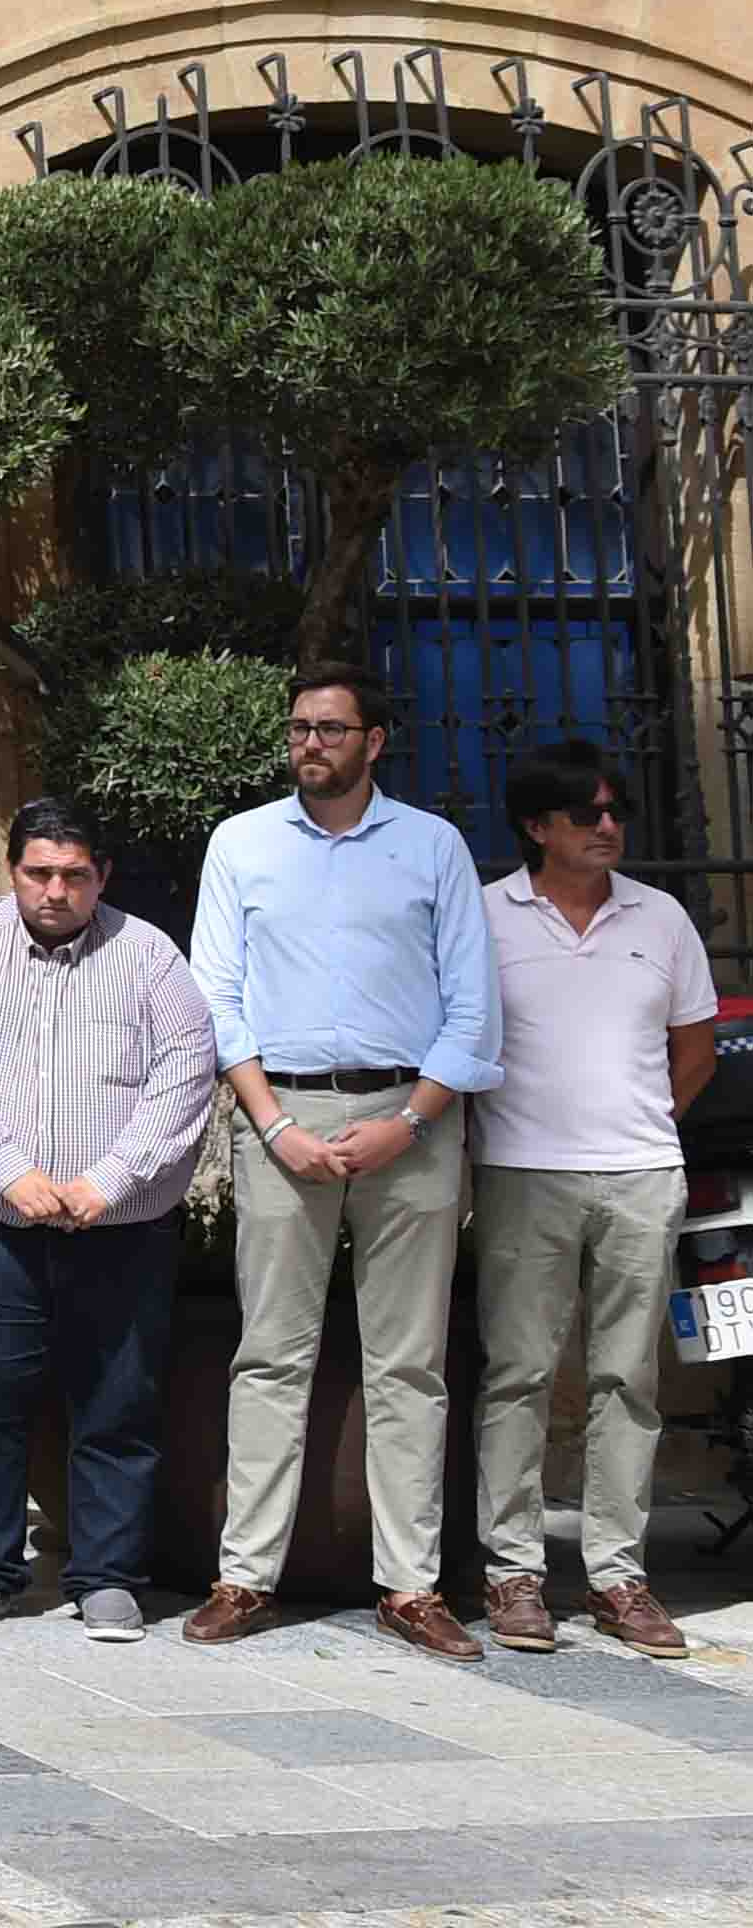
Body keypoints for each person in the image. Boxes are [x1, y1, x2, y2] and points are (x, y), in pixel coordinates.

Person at [187, 664, 500, 1658]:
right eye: (296, 729)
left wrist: (406, 1123)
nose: (307, 744)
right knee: (268, 1352)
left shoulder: (430, 848)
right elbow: (213, 1000)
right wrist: (273, 1125)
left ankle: (409, 1587)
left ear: (373, 741)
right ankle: (242, 1577)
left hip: (407, 1114)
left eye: (328, 728)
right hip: (277, 1113)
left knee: (407, 1360)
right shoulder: (239, 845)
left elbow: (473, 1007)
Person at [0, 797, 214, 1641]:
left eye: (74, 875)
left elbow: (185, 1072)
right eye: (39, 872)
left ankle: (108, 1575)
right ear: (13, 871)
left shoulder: (148, 956)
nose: (54, 890)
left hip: (118, 1228)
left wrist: (110, 1177)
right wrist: (11, 1174)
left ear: (100, 877)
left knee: (117, 1404)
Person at [470, 741, 717, 1661]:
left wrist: (643, 1127)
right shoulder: (484, 916)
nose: (608, 827)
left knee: (628, 1380)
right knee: (518, 1374)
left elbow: (691, 1048)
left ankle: (618, 1576)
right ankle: (513, 1571)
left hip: (641, 1174)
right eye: (586, 815)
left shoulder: (661, 919)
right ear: (536, 828)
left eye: (615, 813)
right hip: (521, 1172)